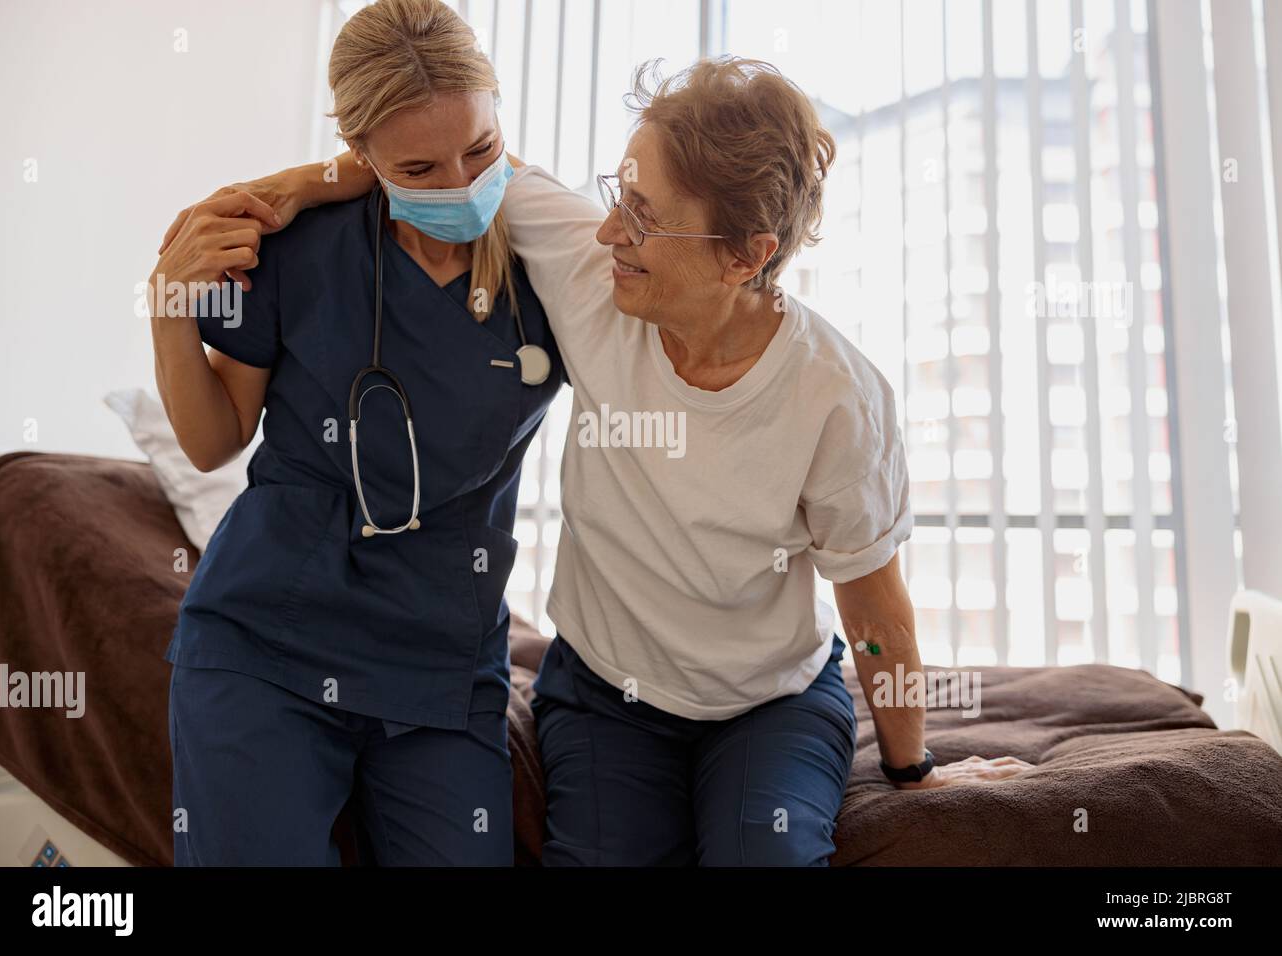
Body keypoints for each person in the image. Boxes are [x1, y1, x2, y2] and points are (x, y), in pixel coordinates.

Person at [213, 56, 1034, 866]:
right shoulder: (591, 269)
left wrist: (911, 768)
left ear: (747, 255)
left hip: (769, 704)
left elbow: (875, 610)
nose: (611, 230)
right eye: (619, 196)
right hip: (607, 693)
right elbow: (451, 163)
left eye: (645, 217)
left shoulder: (837, 397)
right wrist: (306, 183)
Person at [149, 0, 562, 865]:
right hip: (268, 635)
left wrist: (315, 175)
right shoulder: (306, 246)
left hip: (444, 659)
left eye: (480, 150)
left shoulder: (551, 264)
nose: (459, 186)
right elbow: (213, 441)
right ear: (362, 152)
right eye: (418, 164)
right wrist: (168, 312)